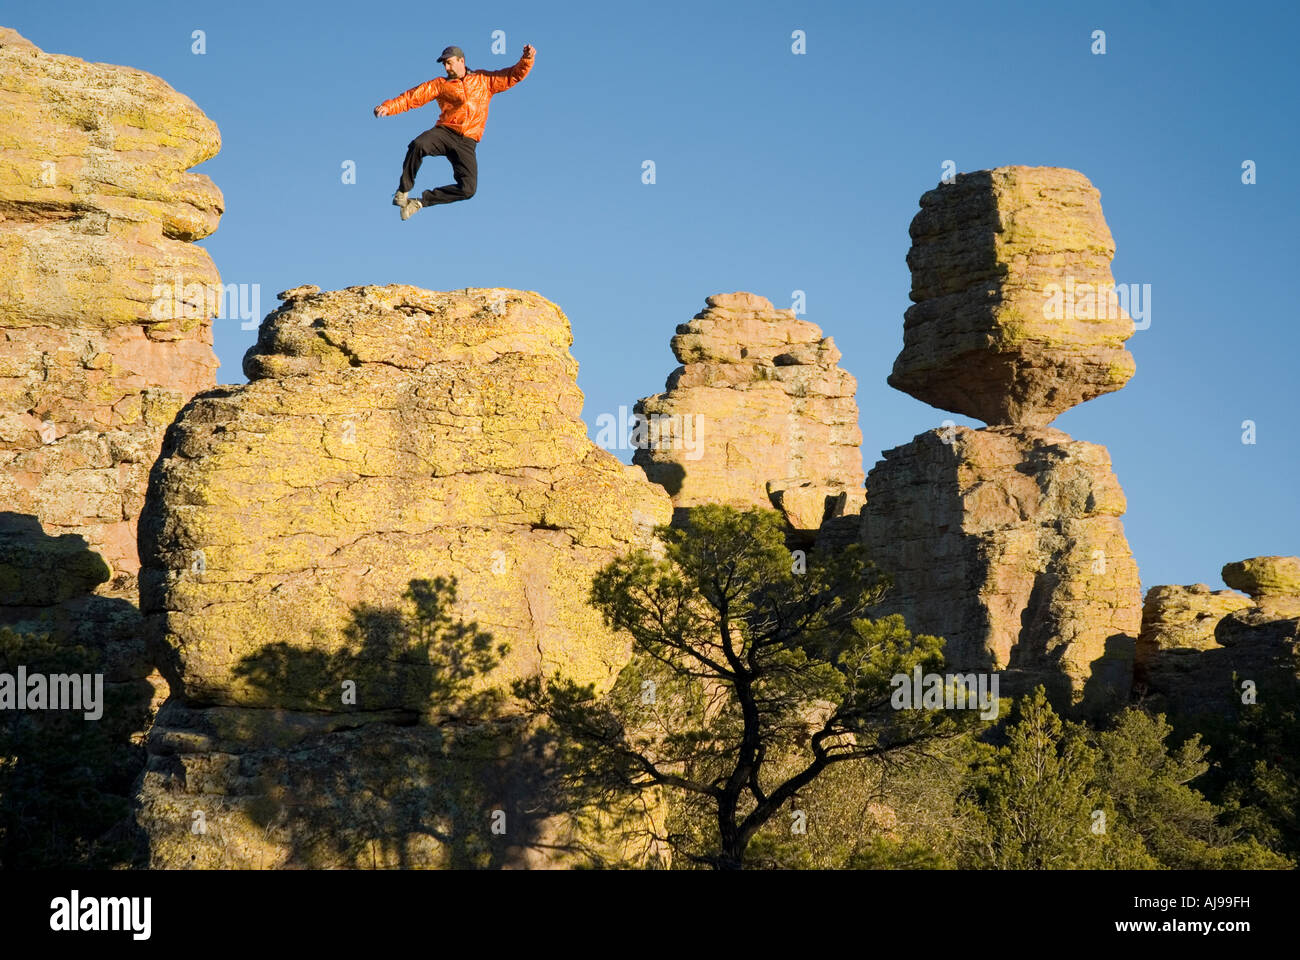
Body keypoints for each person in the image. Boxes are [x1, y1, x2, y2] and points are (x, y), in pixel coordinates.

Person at [373, 43, 535, 220]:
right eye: (444, 65)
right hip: (446, 132)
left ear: (461, 61)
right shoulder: (441, 84)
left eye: (449, 63)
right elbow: (413, 97)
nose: (447, 68)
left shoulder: (484, 80)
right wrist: (389, 107)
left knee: (468, 189)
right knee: (419, 144)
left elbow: (512, 75)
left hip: (468, 142)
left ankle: (419, 202)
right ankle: (403, 191)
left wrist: (527, 59)